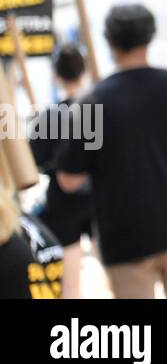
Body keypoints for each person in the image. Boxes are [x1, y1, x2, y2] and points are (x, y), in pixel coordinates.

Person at [56, 4, 167, 299]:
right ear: (150, 36)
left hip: (125, 238)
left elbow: (68, 179)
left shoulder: (92, 102)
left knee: (138, 339)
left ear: (109, 42)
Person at [27, 42, 95, 298]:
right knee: (119, 267)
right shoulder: (100, 109)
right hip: (102, 197)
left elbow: (34, 159)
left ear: (57, 76)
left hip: (63, 203)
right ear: (84, 70)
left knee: (70, 284)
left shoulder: (50, 117)